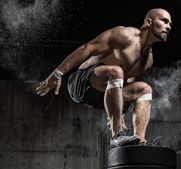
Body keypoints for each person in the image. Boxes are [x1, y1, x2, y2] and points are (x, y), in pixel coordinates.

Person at [36, 8, 172, 148]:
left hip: (105, 94)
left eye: (170, 24)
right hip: (81, 83)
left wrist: (121, 112)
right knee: (116, 71)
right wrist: (58, 73)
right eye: (164, 21)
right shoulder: (125, 35)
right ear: (149, 22)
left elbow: (132, 84)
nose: (168, 27)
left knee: (144, 89)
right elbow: (88, 48)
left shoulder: (148, 60)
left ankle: (140, 143)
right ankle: (116, 135)